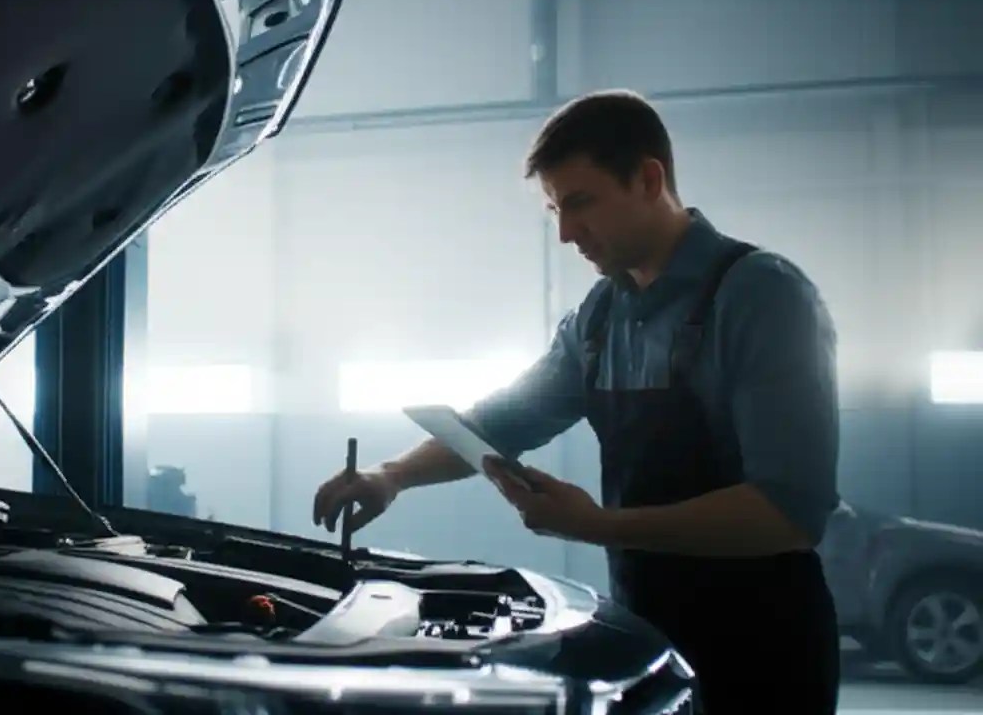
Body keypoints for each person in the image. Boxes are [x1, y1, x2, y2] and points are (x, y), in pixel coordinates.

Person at [311, 89, 841, 712]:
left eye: (582, 204)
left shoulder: (762, 296)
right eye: (556, 210)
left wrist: (599, 526)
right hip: (651, 644)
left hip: (766, 654)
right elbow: (499, 425)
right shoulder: (598, 319)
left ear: (649, 179)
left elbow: (788, 511)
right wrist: (390, 476)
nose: (566, 234)